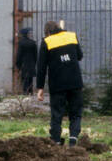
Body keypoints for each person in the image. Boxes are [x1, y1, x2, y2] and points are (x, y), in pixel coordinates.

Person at [35, 19, 84, 147]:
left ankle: (56, 141)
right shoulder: (72, 36)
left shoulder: (46, 42)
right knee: (76, 113)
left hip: (58, 84)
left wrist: (40, 88)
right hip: (75, 82)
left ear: (47, 32)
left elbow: (41, 67)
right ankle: (73, 140)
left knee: (57, 114)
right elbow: (79, 56)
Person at [15, 27, 38, 95]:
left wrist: (18, 64)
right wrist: (34, 63)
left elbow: (19, 55)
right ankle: (31, 91)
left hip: (24, 63)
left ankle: (25, 92)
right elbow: (36, 55)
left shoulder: (21, 43)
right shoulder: (33, 43)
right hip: (31, 63)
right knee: (30, 77)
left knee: (25, 78)